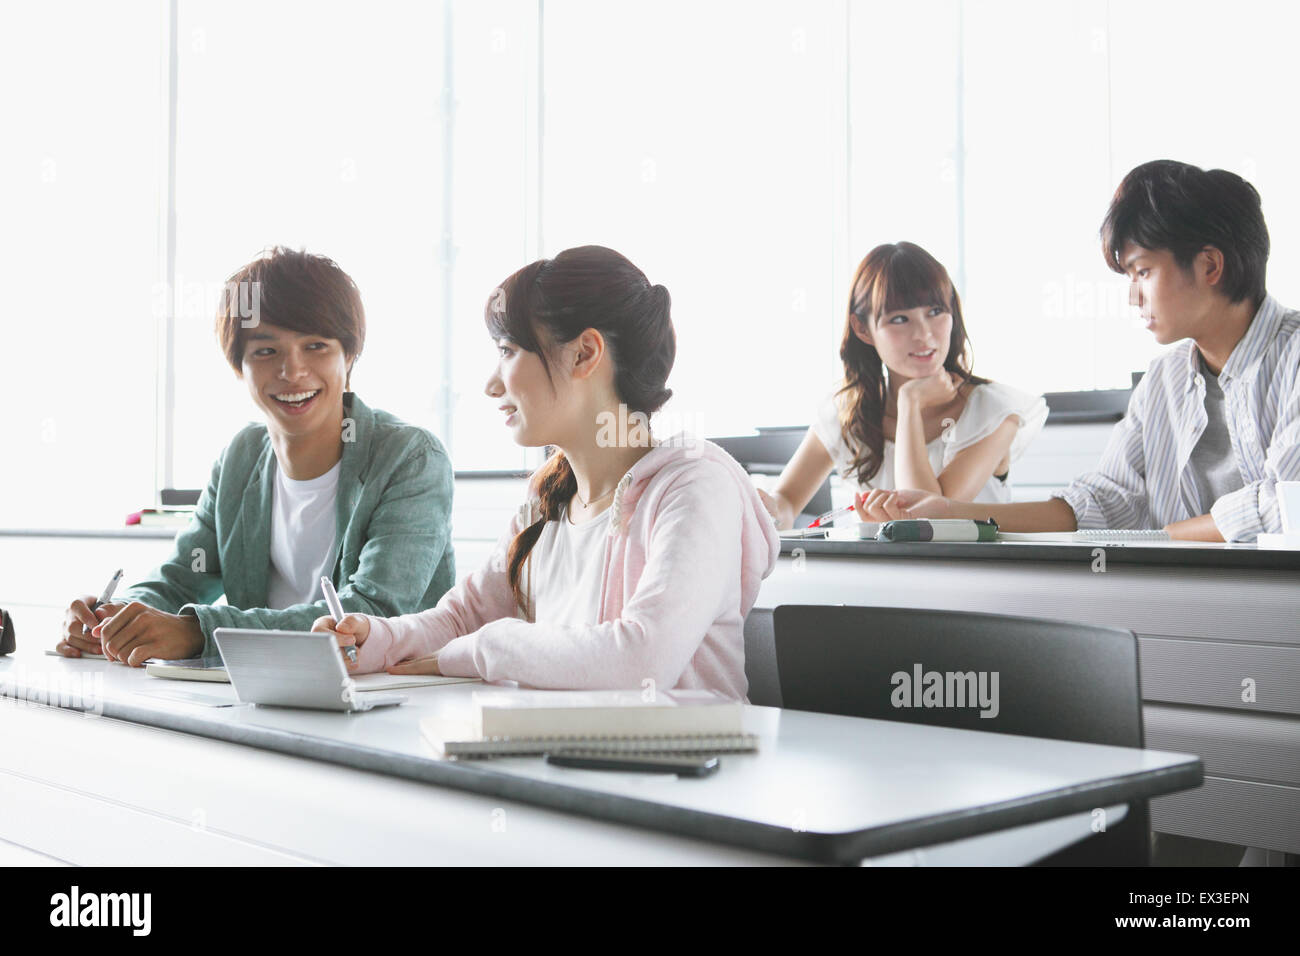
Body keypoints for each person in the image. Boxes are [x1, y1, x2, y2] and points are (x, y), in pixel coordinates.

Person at [312, 245, 778, 700]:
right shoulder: (547, 500)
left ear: (584, 354)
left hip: (687, 771)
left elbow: (642, 660)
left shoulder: (695, 487)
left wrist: (483, 650)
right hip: (567, 761)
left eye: (508, 351)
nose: (492, 384)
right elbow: (462, 618)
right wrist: (377, 638)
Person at [858, 161, 1300, 543]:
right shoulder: (1165, 379)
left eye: (1142, 271)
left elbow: (1285, 506)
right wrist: (952, 513)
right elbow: (1102, 503)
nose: (1133, 297)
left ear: (1210, 266)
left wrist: (1160, 539)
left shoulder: (1293, 356)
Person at [57, 248, 456, 665]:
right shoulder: (240, 459)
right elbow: (181, 579)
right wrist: (114, 616)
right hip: (264, 695)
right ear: (238, 366)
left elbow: (373, 615)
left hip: (393, 701)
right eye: (266, 352)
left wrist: (201, 633)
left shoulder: (411, 458)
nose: (292, 371)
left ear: (350, 355)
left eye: (316, 346)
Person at [758, 242, 1046, 529]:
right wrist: (768, 511)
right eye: (899, 319)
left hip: (975, 573)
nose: (923, 334)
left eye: (935, 311)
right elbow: (785, 501)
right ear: (862, 329)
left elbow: (926, 519)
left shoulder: (993, 411)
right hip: (883, 572)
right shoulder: (848, 411)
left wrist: (910, 402)